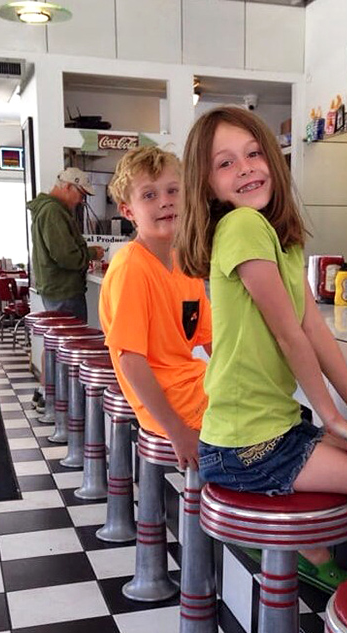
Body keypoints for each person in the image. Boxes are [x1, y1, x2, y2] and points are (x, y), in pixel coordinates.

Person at [176, 106, 347, 591]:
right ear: (207, 185)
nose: (245, 168)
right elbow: (289, 335)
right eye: (226, 163)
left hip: (273, 430)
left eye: (253, 154)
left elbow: (313, 327)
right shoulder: (241, 226)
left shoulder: (281, 239)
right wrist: (332, 416)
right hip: (246, 446)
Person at [99, 147, 211, 469]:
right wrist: (176, 431)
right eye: (149, 195)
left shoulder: (185, 264)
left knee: (273, 408)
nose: (165, 201)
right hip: (169, 404)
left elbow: (211, 340)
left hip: (194, 386)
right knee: (270, 429)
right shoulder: (131, 268)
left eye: (173, 191)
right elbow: (131, 361)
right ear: (128, 211)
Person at [27, 167, 104, 323]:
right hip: (64, 291)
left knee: (61, 336)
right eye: (81, 194)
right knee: (71, 335)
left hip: (56, 289)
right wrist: (92, 254)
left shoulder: (48, 209)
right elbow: (66, 256)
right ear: (68, 186)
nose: (81, 201)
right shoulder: (53, 211)